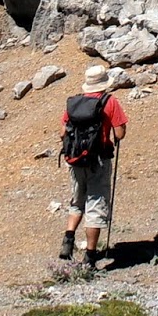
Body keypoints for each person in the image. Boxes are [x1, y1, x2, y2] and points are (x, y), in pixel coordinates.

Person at [59, 65, 128, 265]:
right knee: (95, 205)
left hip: (76, 160)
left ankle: (69, 238)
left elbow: (62, 132)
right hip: (98, 160)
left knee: (77, 200)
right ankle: (90, 257)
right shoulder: (109, 101)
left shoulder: (76, 103)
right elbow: (120, 134)